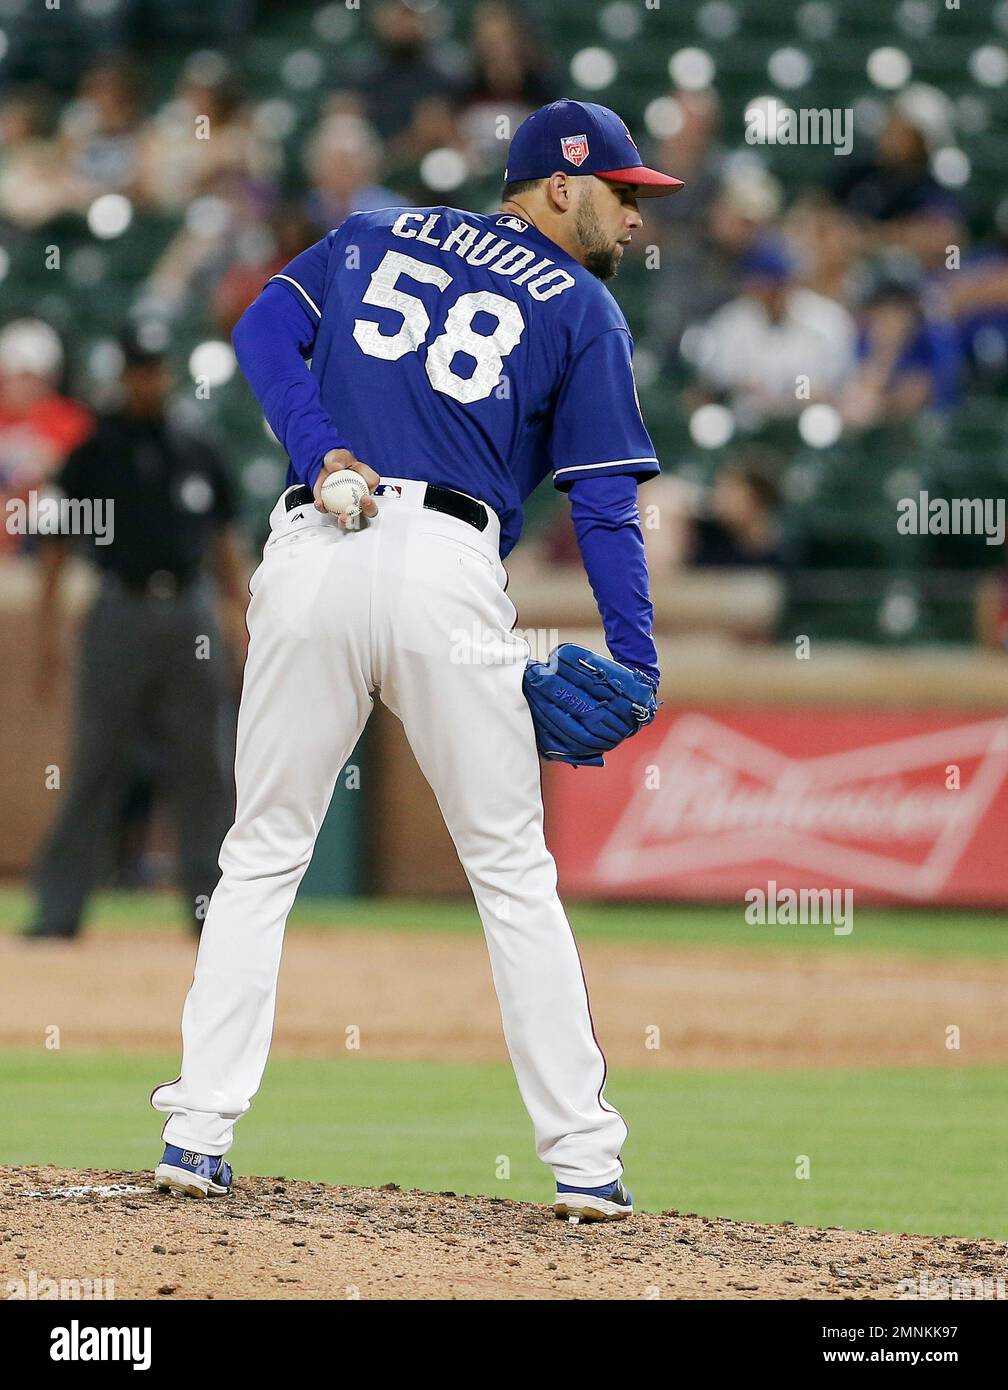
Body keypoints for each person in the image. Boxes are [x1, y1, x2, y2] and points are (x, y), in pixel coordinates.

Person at [151, 98, 683, 1222]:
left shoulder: (370, 232)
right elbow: (600, 502)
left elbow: (258, 330)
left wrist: (318, 443)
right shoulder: (581, 306)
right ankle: (585, 1159)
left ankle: (196, 1131)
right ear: (557, 184)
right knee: (511, 870)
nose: (636, 219)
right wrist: (636, 659)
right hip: (449, 567)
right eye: (623, 194)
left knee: (259, 854)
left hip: (315, 537)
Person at [25, 328, 248, 940]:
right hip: (118, 609)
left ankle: (213, 914)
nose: (148, 381)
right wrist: (49, 634)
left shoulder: (196, 446)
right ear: (123, 376)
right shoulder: (95, 450)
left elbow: (226, 545)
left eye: (155, 369)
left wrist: (239, 623)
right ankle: (58, 911)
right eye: (138, 370)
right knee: (97, 758)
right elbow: (54, 546)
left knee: (204, 765)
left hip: (190, 609)